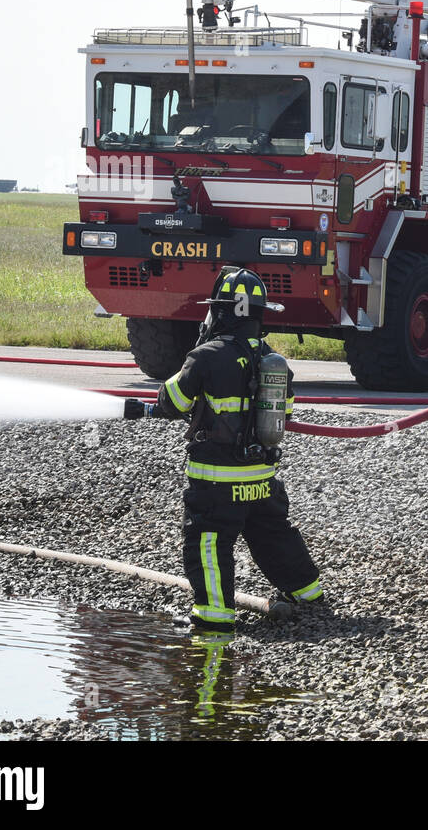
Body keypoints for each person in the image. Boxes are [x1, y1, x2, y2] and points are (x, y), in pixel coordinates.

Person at [126, 267, 324, 634]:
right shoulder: (272, 360)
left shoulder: (206, 356)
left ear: (220, 311)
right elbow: (287, 413)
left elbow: (173, 400)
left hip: (216, 480)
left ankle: (214, 616)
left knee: (208, 542)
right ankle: (309, 595)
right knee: (274, 535)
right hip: (262, 478)